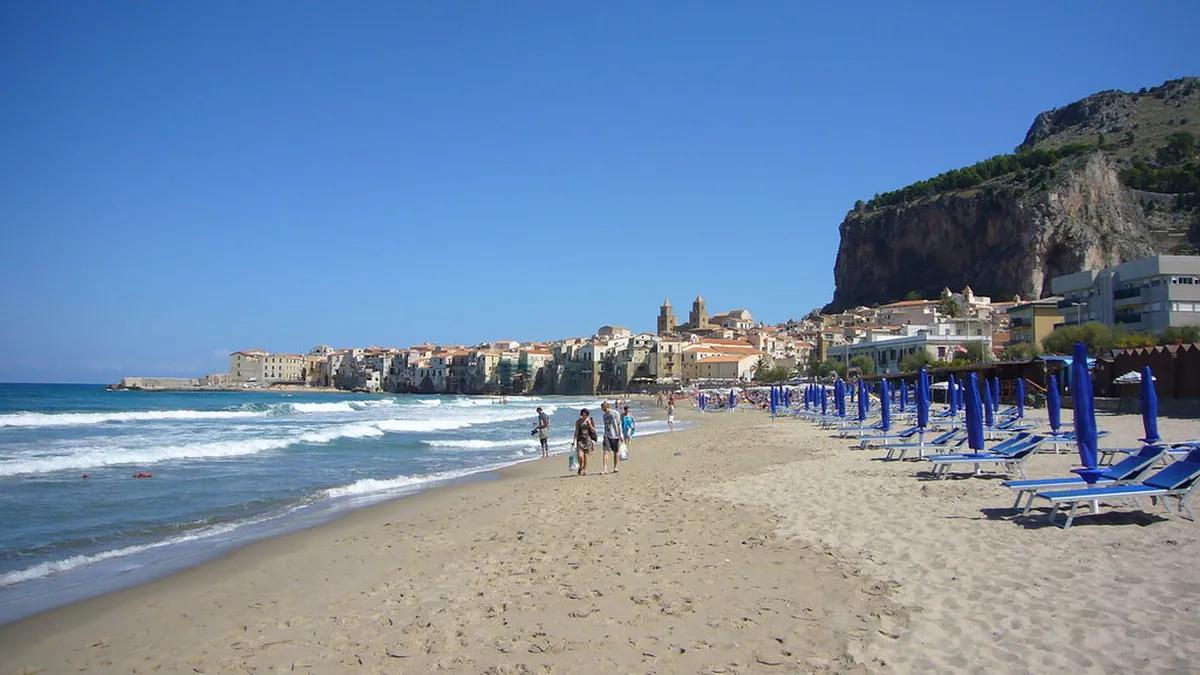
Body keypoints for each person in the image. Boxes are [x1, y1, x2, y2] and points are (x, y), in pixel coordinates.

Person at [600, 401, 622, 474]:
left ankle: (615, 467)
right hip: (607, 435)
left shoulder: (615, 413)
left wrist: (620, 434)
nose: (602, 409)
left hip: (615, 435)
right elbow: (605, 425)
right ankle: (605, 468)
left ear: (606, 406)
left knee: (615, 452)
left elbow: (619, 424)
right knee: (605, 451)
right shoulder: (604, 415)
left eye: (603, 407)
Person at [573, 408, 595, 476]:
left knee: (586, 457)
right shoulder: (578, 422)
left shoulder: (590, 421)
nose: (583, 416)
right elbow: (576, 431)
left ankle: (585, 470)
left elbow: (593, 430)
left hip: (587, 440)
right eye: (582, 415)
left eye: (585, 415)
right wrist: (574, 441)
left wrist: (589, 424)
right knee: (580, 456)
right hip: (580, 440)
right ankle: (580, 466)